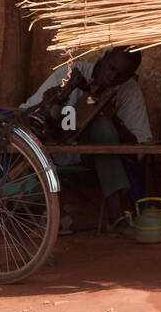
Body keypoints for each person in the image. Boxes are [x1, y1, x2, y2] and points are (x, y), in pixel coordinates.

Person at [24, 47, 152, 234]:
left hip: (91, 156)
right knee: (39, 133)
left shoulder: (128, 90)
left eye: (120, 75)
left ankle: (115, 217)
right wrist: (48, 103)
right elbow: (28, 112)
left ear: (129, 77)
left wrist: (113, 119)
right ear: (105, 56)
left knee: (104, 128)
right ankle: (55, 213)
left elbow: (140, 147)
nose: (111, 77)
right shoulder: (70, 73)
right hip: (54, 146)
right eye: (110, 68)